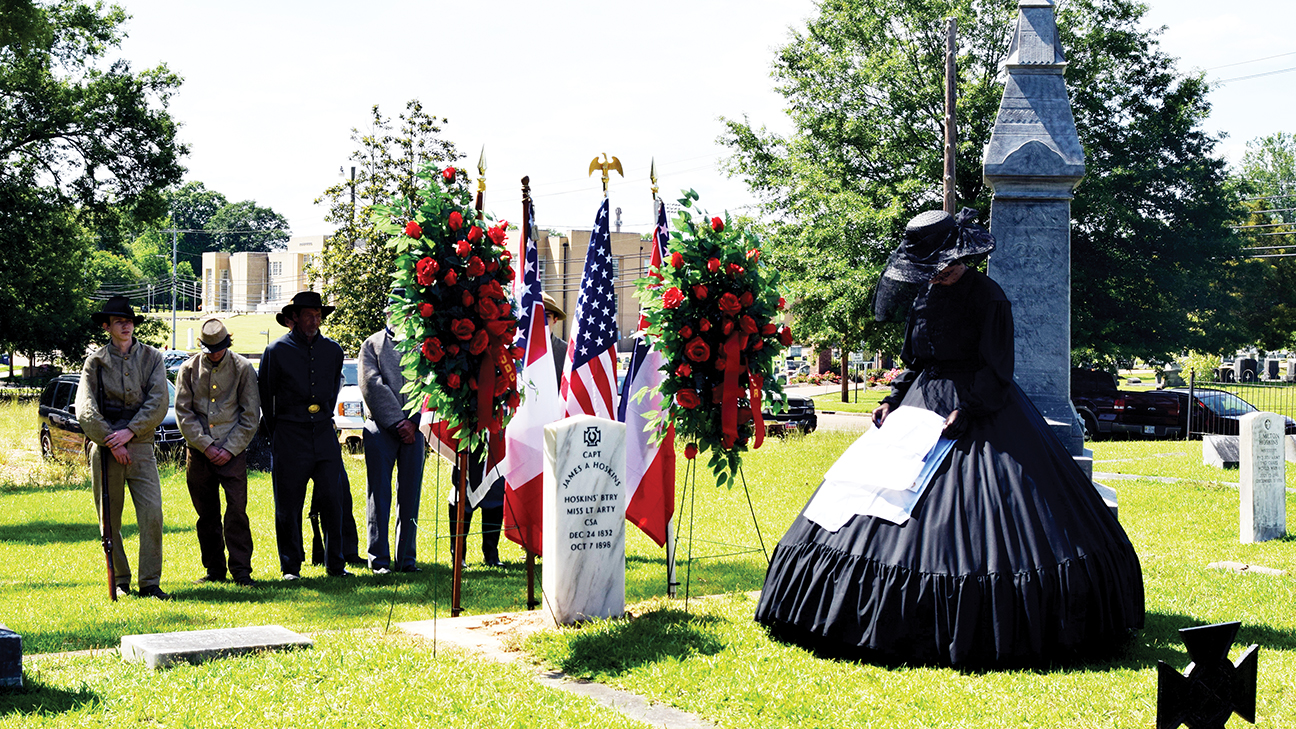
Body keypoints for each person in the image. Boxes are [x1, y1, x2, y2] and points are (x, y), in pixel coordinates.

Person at [755, 209, 1145, 667]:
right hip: (919, 407)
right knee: (874, 502)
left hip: (982, 410)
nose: (941, 275)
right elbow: (915, 359)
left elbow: (998, 368)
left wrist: (969, 407)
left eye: (947, 265)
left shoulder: (988, 297)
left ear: (962, 254)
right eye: (932, 269)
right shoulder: (923, 297)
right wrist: (893, 398)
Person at [75, 296, 171, 600]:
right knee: (109, 519)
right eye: (119, 321)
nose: (126, 325)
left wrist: (128, 433)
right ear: (107, 327)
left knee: (152, 514)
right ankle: (119, 579)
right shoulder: (95, 362)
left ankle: (150, 583)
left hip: (140, 445)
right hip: (105, 450)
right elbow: (85, 407)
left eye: (129, 320)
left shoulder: (153, 358)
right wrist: (110, 439)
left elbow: (158, 402)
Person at [258, 291, 352, 579]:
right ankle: (291, 566)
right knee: (288, 503)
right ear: (294, 318)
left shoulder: (333, 351)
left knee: (333, 500)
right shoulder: (276, 351)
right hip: (289, 431)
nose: (315, 320)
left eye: (318, 315)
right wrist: (279, 432)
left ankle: (335, 563)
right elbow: (266, 397)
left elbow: (334, 387)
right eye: (309, 315)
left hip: (323, 431)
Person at [174, 319, 261, 587]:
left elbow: (250, 415)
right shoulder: (188, 369)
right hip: (199, 453)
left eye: (219, 348)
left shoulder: (243, 368)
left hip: (232, 453)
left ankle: (241, 570)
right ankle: (214, 568)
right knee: (206, 514)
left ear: (228, 344)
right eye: (209, 349)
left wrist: (230, 448)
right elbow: (183, 413)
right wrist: (206, 445)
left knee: (237, 511)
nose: (214, 353)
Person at [358, 292, 425, 574]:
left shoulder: (423, 346)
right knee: (380, 496)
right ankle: (379, 559)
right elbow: (372, 386)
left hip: (416, 429)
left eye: (408, 313)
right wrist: (398, 422)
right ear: (387, 315)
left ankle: (406, 559)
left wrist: (414, 422)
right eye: (397, 313)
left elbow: (428, 385)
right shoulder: (371, 345)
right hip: (380, 429)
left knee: (410, 495)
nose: (403, 318)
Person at [542, 291, 567, 388]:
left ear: (555, 320)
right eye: (538, 314)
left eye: (547, 316)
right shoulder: (519, 350)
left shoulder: (566, 352)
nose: (542, 320)